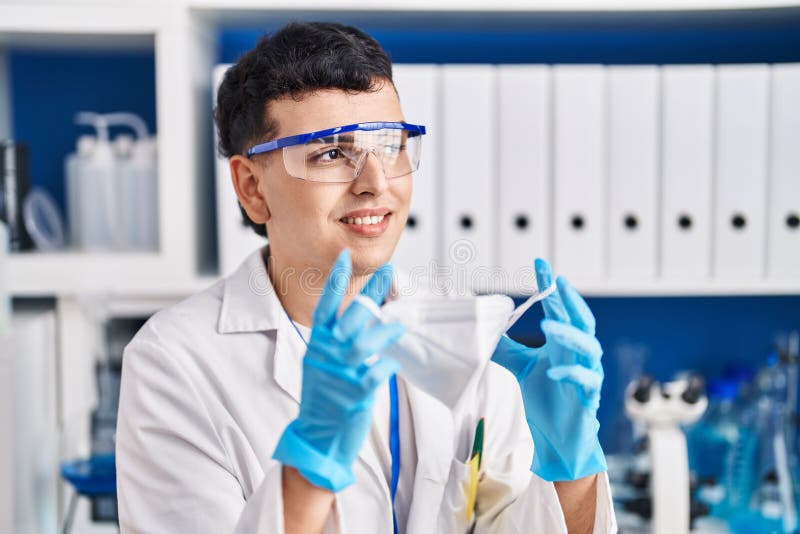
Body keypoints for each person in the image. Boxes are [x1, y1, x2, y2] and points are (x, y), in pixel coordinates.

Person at [116, 21, 616, 534]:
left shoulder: (464, 337)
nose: (376, 184)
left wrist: (569, 466)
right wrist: (308, 466)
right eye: (332, 153)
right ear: (251, 186)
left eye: (392, 145)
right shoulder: (175, 364)